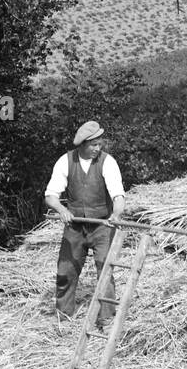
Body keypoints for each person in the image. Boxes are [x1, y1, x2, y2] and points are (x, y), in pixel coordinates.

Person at [43, 121, 126, 326]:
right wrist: (62, 210)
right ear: (83, 144)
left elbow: (118, 195)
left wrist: (116, 214)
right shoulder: (65, 161)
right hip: (75, 226)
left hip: (102, 226)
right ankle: (64, 317)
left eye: (100, 144)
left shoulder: (108, 162)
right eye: (94, 145)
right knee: (66, 270)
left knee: (104, 271)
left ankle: (106, 319)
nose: (98, 148)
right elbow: (51, 195)